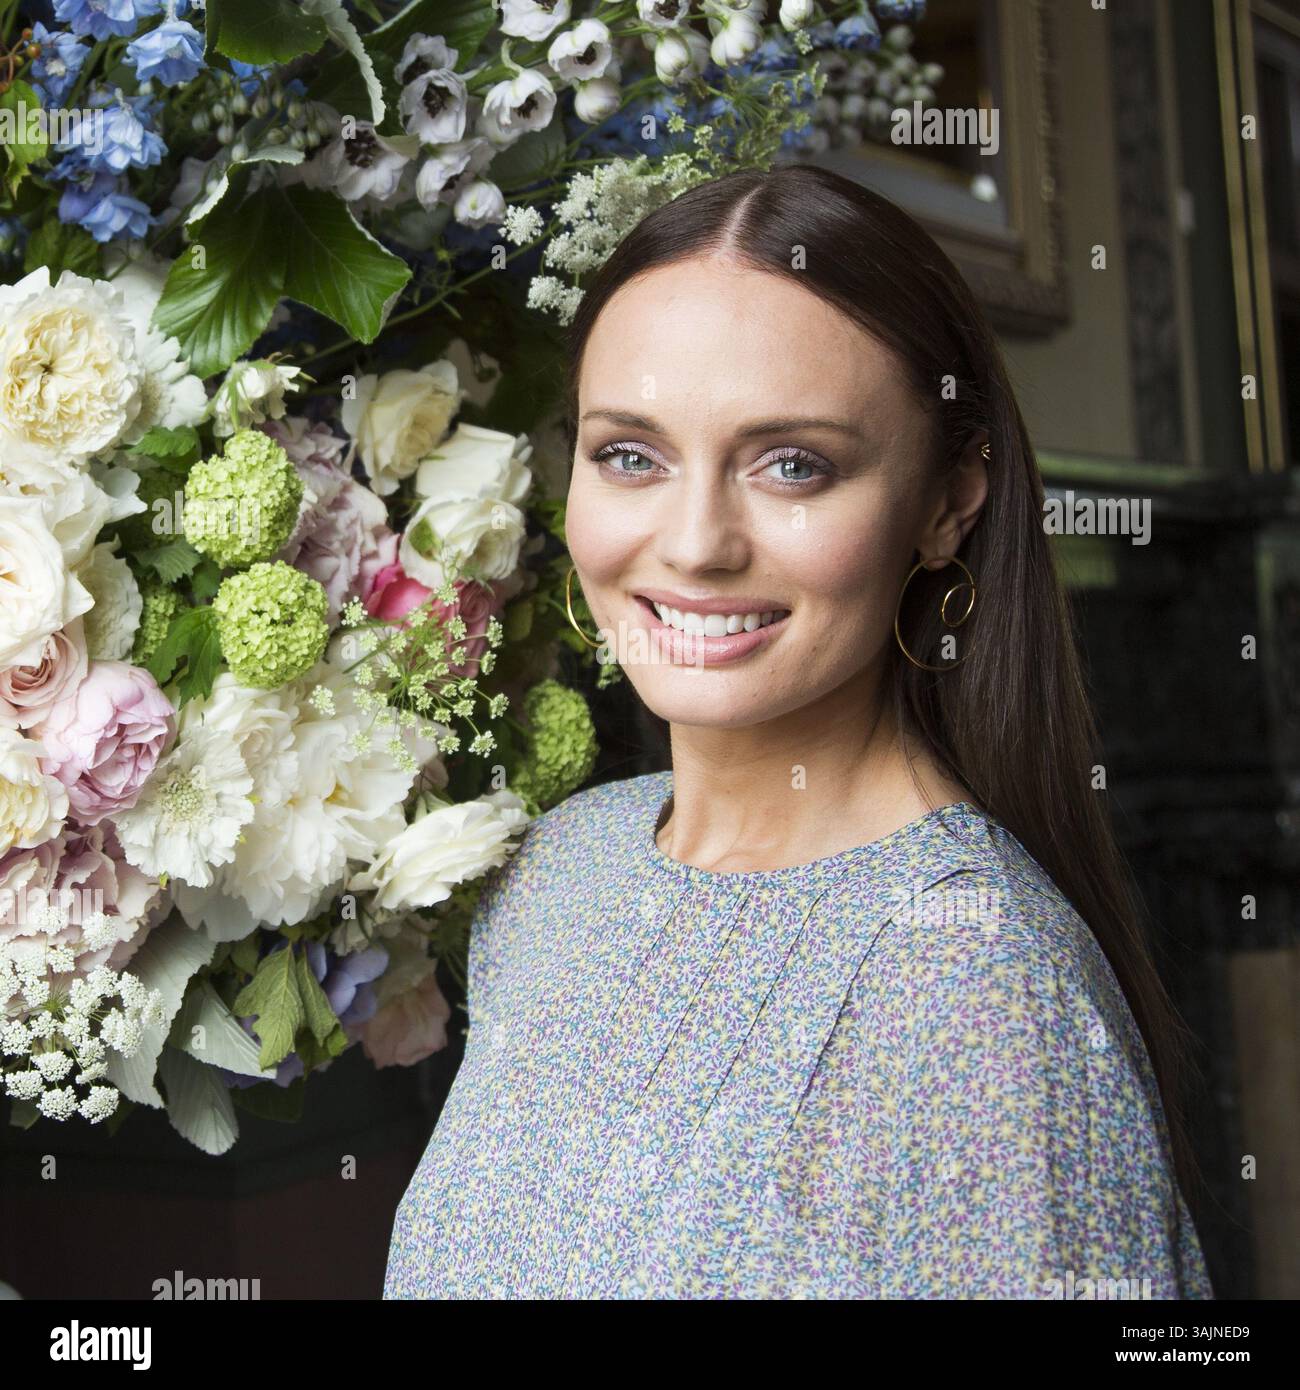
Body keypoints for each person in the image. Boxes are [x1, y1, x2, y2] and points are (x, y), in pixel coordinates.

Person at [383, 163, 1215, 1300]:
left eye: (792, 465)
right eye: (631, 452)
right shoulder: (560, 868)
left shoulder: (976, 983)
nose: (695, 543)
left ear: (945, 503)